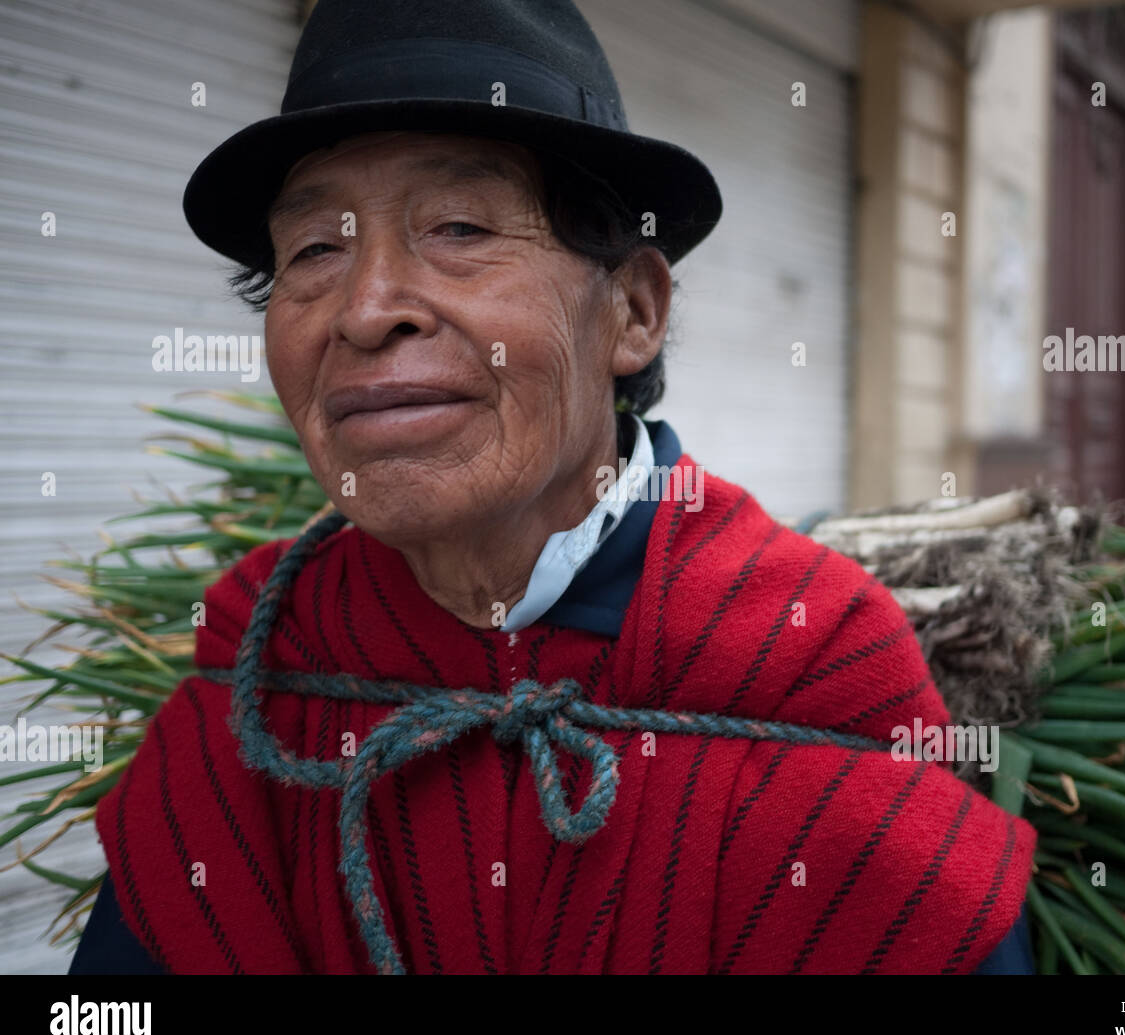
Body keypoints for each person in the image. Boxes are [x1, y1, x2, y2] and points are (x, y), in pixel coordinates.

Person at [71, 0, 1035, 975]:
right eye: (316, 248)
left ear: (633, 309)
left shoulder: (803, 667)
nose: (364, 312)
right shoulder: (264, 677)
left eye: (457, 225)